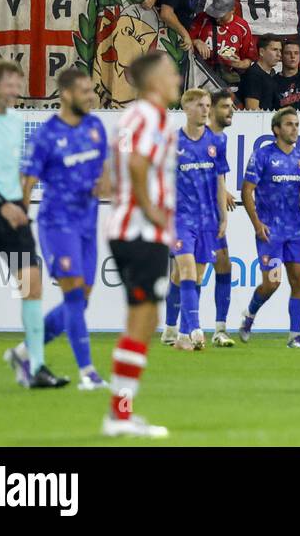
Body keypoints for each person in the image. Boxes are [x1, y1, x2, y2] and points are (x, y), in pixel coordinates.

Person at [0, 60, 69, 390]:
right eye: (10, 84)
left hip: (13, 216)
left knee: (32, 286)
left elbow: (15, 168)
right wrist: (1, 204)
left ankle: (35, 367)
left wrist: (20, 200)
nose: (16, 91)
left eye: (18, 85)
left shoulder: (18, 122)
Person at [103, 51, 181, 438]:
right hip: (139, 232)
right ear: (153, 80)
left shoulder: (135, 116)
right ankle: (119, 414)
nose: (177, 78)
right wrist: (151, 212)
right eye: (171, 72)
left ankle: (122, 409)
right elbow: (136, 165)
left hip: (134, 229)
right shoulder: (149, 116)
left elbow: (112, 169)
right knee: (141, 319)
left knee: (146, 319)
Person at [17, 67, 110, 390]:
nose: (91, 97)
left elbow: (105, 174)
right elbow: (27, 181)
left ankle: (24, 352)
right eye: (85, 91)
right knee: (73, 296)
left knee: (82, 298)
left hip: (88, 223)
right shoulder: (46, 135)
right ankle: (88, 372)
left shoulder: (96, 127)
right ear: (67, 94)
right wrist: (19, 220)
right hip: (57, 224)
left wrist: (104, 186)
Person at [239, 108, 300, 348]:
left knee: (299, 281)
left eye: (296, 124)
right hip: (270, 231)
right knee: (273, 282)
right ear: (277, 129)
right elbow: (247, 191)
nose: (294, 128)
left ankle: (294, 336)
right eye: (289, 124)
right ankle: (250, 314)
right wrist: (256, 223)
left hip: (296, 231)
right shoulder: (262, 156)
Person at [161, 90, 225, 352]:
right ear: (186, 108)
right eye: (200, 105)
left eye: (208, 105)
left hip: (207, 219)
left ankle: (175, 331)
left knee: (188, 276)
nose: (206, 110)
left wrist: (223, 217)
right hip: (179, 218)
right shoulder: (172, 142)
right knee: (187, 271)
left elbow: (220, 180)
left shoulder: (217, 142)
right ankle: (196, 328)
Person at [205, 90, 239, 347]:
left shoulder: (221, 139)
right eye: (226, 106)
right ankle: (175, 329)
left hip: (212, 215)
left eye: (232, 106)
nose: (231, 111)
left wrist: (223, 190)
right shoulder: (200, 135)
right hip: (193, 214)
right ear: (212, 109)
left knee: (224, 265)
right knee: (185, 273)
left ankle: (220, 328)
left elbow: (217, 173)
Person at [239, 35, 283, 110]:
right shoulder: (254, 75)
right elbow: (253, 110)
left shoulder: (269, 75)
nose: (279, 54)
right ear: (261, 52)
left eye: (280, 50)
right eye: (275, 49)